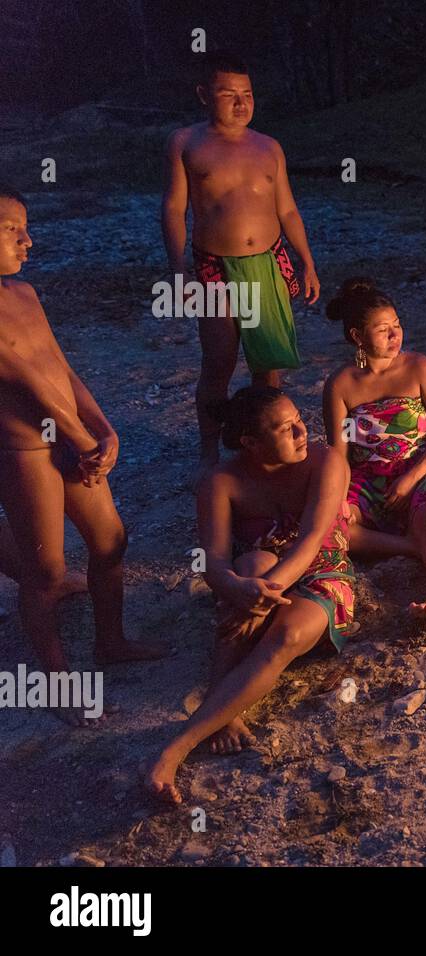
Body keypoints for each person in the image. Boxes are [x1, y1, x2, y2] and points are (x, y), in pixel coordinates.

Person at [0, 185, 169, 724]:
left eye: (25, 227)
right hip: (25, 450)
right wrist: (80, 437)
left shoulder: (23, 293)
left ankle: (111, 641)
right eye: (11, 230)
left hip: (72, 437)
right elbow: (23, 380)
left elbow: (59, 368)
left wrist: (103, 427)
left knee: (111, 541)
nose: (27, 240)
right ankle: (54, 679)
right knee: (46, 569)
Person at [145, 387, 353, 803]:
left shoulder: (325, 460)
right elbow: (213, 562)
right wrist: (239, 589)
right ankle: (225, 703)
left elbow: (311, 541)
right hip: (251, 580)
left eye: (299, 419)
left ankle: (180, 743)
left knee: (288, 634)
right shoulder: (220, 481)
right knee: (254, 565)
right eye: (284, 428)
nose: (300, 431)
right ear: (251, 444)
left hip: (319, 572)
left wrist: (257, 597)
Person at [161, 51, 321, 471]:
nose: (240, 102)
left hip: (269, 261)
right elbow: (174, 209)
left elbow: (287, 209)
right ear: (203, 95)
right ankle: (210, 447)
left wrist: (307, 261)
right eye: (228, 93)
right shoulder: (186, 143)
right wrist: (178, 271)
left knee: (267, 364)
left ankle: (262, 446)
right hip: (215, 265)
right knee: (219, 361)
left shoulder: (269, 147)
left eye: (247, 93)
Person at [322, 278, 426, 619]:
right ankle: (411, 548)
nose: (394, 335)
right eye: (383, 329)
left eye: (397, 326)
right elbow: (339, 453)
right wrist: (339, 497)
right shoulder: (341, 385)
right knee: (333, 526)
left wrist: (410, 478)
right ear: (358, 337)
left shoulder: (419, 368)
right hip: (370, 477)